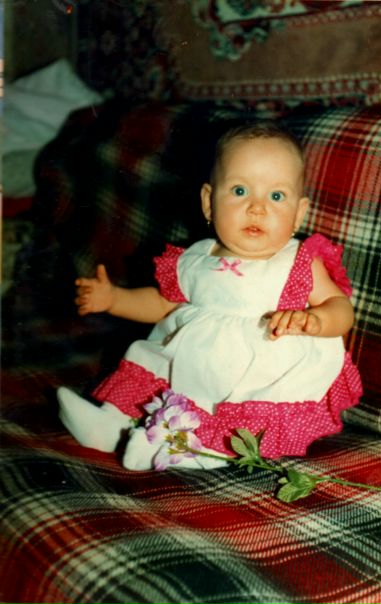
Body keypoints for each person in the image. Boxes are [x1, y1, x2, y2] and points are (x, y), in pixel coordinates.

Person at [58, 121, 362, 471]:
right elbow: (162, 304)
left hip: (255, 378)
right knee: (151, 377)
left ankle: (175, 453)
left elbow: (340, 307)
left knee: (230, 428)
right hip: (189, 366)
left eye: (276, 196)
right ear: (208, 202)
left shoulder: (298, 262)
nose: (257, 208)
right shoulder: (194, 259)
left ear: (299, 213)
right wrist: (114, 299)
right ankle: (109, 427)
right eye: (239, 190)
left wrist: (315, 320)